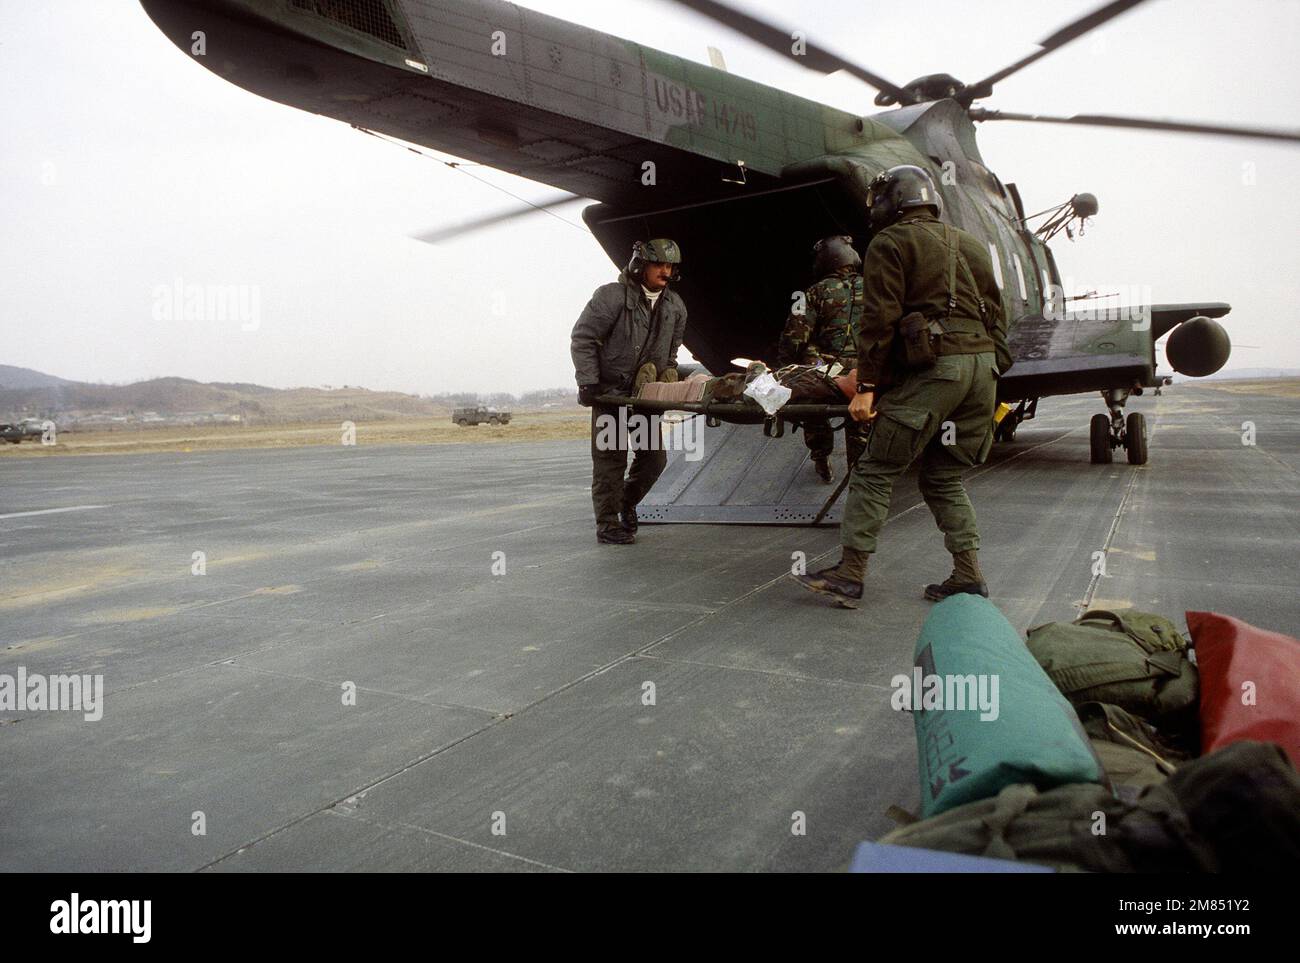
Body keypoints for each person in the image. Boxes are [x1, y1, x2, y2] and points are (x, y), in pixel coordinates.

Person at [793, 165, 1013, 607]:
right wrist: (989, 368)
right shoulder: (970, 244)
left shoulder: (890, 243)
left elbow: (879, 322)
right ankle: (968, 575)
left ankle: (850, 573)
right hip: (982, 373)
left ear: (894, 200)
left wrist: (867, 387)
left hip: (940, 372)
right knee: (944, 477)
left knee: (875, 470)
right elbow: (997, 316)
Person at [571, 239, 688, 545]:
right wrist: (588, 382)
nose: (666, 271)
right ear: (640, 265)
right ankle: (607, 525)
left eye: (670, 266)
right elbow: (584, 338)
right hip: (611, 394)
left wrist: (667, 379)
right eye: (659, 265)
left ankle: (626, 502)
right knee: (611, 461)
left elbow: (672, 352)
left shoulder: (675, 306)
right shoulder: (611, 296)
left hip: (646, 395)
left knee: (654, 461)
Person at [775, 235, 868, 483]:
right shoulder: (874, 288)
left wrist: (783, 370)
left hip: (827, 372)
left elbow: (795, 337)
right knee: (860, 422)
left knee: (813, 410)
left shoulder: (812, 294)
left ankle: (820, 456)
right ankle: (860, 472)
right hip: (865, 374)